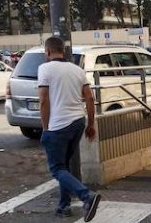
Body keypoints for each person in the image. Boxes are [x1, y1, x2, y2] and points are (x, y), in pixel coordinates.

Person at [37, 37, 101, 221]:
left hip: (58, 126)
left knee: (57, 169)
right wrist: (90, 124)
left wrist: (45, 129)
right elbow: (89, 99)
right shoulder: (77, 70)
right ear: (62, 51)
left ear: (48, 52)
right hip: (78, 122)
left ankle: (86, 196)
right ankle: (63, 206)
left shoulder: (45, 69)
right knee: (64, 166)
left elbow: (43, 100)